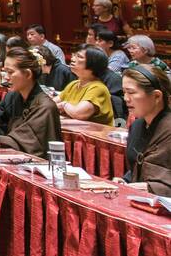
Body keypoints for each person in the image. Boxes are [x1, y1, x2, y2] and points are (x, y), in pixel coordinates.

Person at [121, 63, 171, 195]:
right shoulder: (137, 126)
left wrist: (147, 188)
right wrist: (125, 181)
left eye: (131, 92)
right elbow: (136, 167)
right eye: (124, 92)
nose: (126, 99)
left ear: (157, 96)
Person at [58, 47, 114, 125]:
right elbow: (51, 104)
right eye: (74, 55)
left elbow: (79, 114)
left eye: (79, 57)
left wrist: (64, 105)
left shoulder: (98, 88)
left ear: (93, 64)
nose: (73, 59)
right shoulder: (74, 84)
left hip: (94, 135)